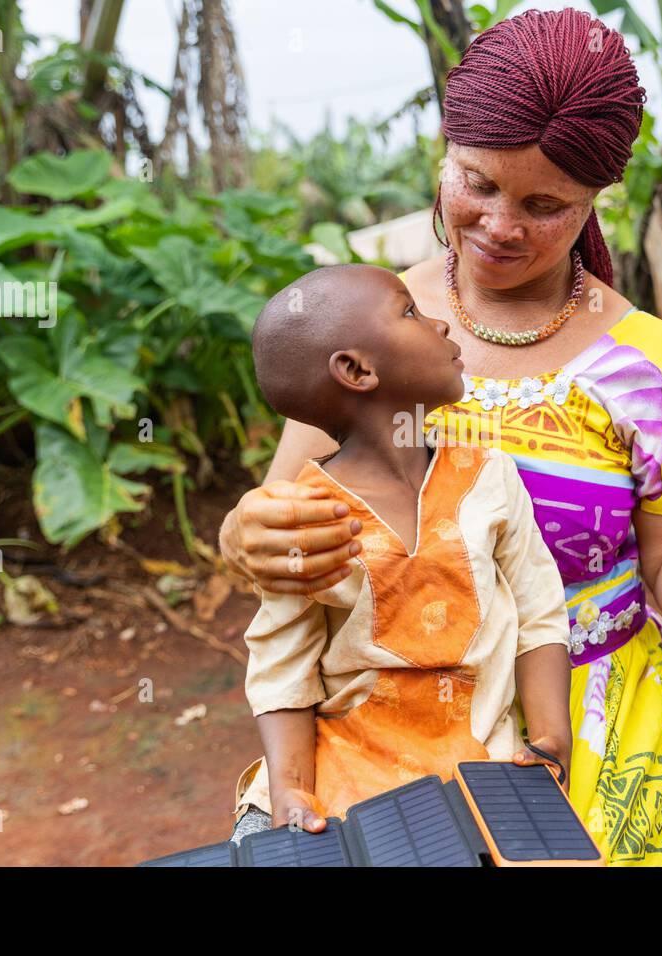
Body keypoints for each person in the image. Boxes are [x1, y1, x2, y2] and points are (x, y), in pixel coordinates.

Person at [219, 8, 662, 865]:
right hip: (388, 703)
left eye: (545, 205)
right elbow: (287, 514)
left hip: (590, 715)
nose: (500, 225)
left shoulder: (655, 365)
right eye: (476, 183)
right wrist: (246, 537)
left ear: (597, 197)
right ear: (444, 157)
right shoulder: (368, 325)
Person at [231, 264, 573, 843]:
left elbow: (540, 615)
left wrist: (550, 739)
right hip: (346, 769)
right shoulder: (308, 515)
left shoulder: (490, 478)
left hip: (479, 767)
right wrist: (292, 791)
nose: (439, 324)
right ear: (357, 370)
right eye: (410, 312)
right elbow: (281, 665)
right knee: (274, 845)